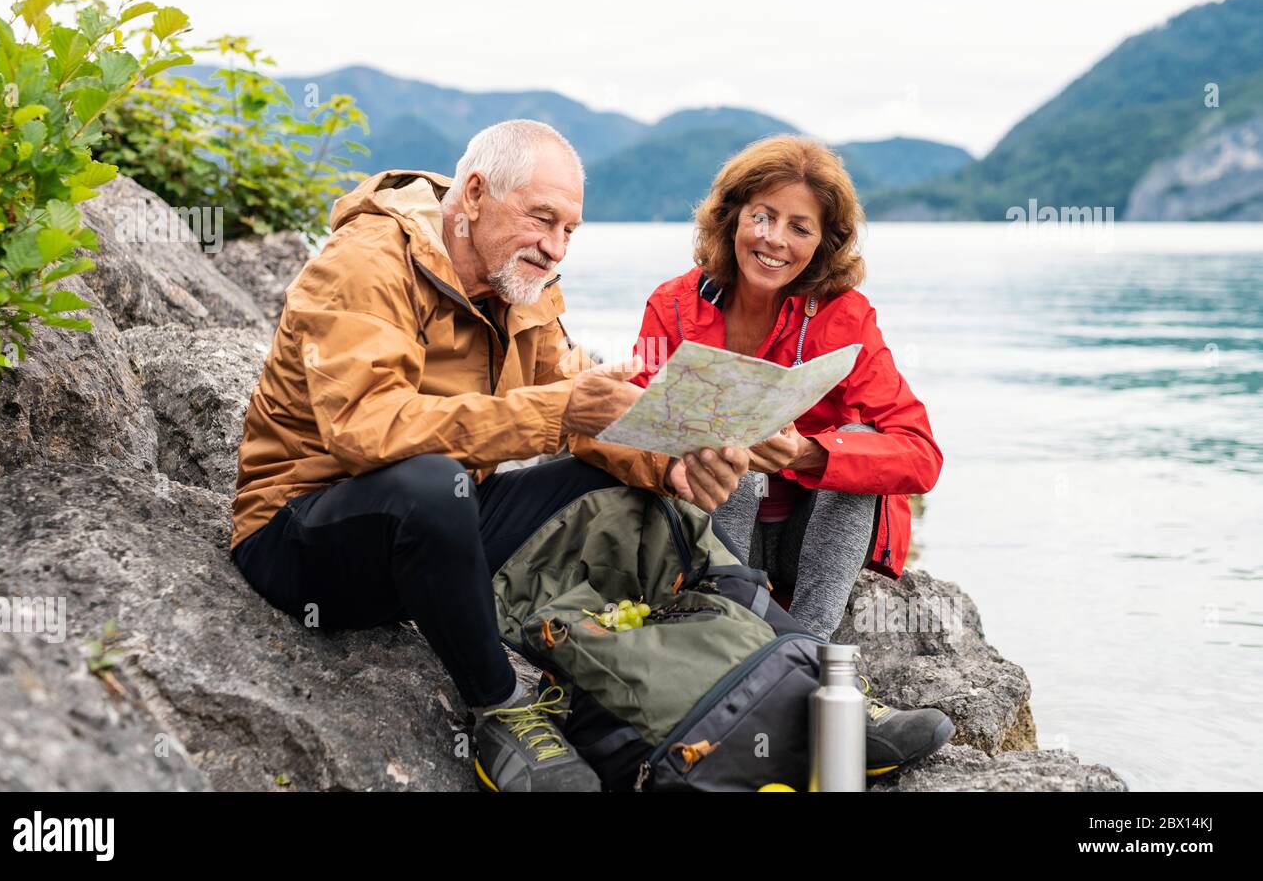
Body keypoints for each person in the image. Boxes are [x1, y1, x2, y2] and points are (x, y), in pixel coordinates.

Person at [229, 119, 750, 792]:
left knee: (622, 492)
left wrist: (668, 464)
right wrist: (556, 411)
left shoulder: (520, 282)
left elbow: (583, 407)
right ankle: (502, 708)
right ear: (474, 193)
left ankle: (785, 666)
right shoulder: (367, 261)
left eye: (570, 231)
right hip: (302, 537)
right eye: (543, 219)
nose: (556, 247)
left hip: (434, 538)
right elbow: (365, 428)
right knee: (434, 485)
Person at [629, 133, 953, 775]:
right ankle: (818, 690)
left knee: (858, 446)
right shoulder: (672, 303)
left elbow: (921, 456)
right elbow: (636, 424)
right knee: (731, 463)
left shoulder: (845, 317)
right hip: (716, 539)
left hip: (812, 543)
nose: (776, 240)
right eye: (763, 216)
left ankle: (806, 651)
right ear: (732, 219)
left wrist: (811, 454)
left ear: (821, 245)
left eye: (799, 227)